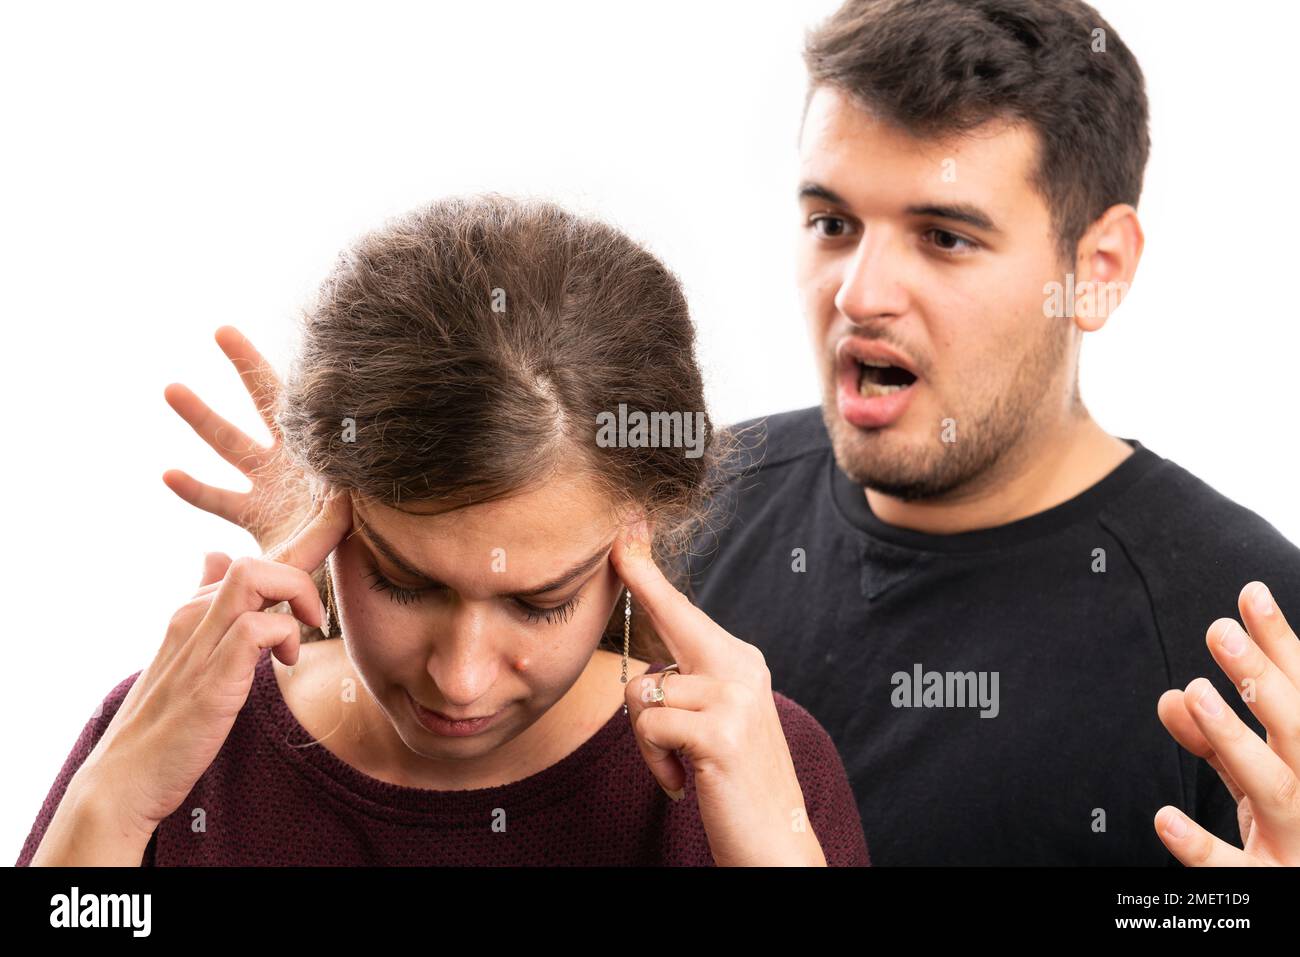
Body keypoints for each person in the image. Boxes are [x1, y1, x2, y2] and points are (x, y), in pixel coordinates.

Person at [15, 194, 869, 867]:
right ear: (321, 500)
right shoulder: (172, 734)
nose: (459, 681)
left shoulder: (754, 767)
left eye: (540, 602)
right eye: (403, 581)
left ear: (646, 532)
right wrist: (110, 804)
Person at [683, 0, 1300, 864]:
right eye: (833, 223)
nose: (860, 294)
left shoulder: (1251, 633)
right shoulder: (682, 516)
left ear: (1097, 270)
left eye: (943, 236)